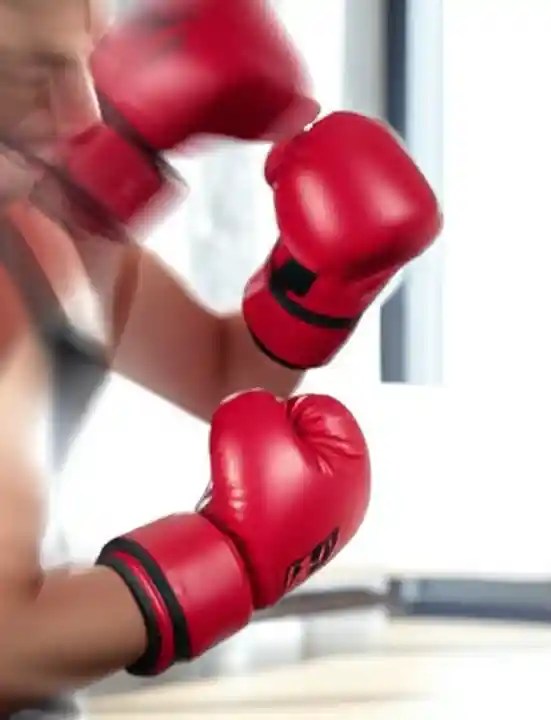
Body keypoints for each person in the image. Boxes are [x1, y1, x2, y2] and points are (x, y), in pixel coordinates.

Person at [0, 0, 442, 713]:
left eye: (88, 57)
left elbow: (223, 374)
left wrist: (320, 281)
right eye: (31, 75)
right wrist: (228, 562)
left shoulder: (56, 228)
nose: (83, 110)